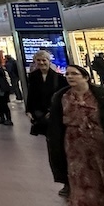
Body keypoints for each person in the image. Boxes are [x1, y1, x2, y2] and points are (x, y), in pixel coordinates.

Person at [47, 64, 104, 206]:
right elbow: (55, 125)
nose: (70, 77)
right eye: (68, 74)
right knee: (83, 189)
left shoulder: (102, 97)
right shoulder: (62, 98)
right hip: (76, 153)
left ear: (85, 77)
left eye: (74, 74)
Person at [26, 50, 70, 194]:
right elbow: (31, 95)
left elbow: (63, 97)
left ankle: (70, 181)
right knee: (54, 150)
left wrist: (54, 111)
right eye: (38, 60)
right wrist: (29, 110)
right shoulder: (33, 77)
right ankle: (64, 181)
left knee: (62, 149)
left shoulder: (59, 78)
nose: (41, 63)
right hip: (42, 118)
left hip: (57, 118)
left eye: (44, 60)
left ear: (49, 61)